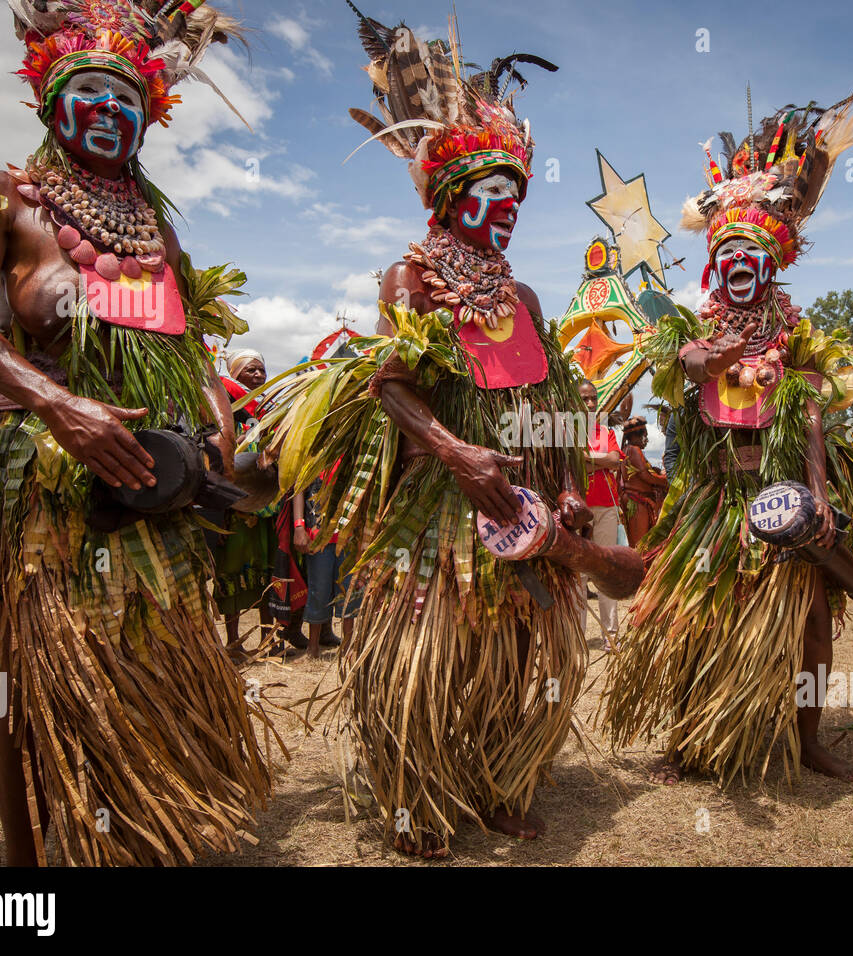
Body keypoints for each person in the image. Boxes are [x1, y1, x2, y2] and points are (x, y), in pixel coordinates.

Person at [257, 11, 640, 857]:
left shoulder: (529, 299)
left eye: (514, 200)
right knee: (431, 648)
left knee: (515, 649)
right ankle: (414, 794)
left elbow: (558, 402)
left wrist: (570, 487)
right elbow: (388, 385)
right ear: (448, 196)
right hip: (437, 505)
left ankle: (500, 781)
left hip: (529, 504)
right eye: (487, 197)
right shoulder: (413, 276)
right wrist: (454, 452)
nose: (503, 212)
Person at [0, 0, 271, 865]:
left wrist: (218, 442)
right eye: (90, 90)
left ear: (149, 113)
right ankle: (33, 868)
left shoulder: (158, 231)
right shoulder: (6, 200)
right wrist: (58, 405)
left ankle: (136, 837)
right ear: (49, 99)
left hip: (154, 475)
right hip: (37, 470)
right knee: (30, 676)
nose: (111, 107)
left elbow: (189, 347)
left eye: (126, 96)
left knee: (151, 657)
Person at [602, 87, 853, 785]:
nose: (737, 263)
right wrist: (721, 355)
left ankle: (809, 737)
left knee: (811, 619)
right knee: (691, 613)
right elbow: (691, 364)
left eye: (750, 254)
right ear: (713, 261)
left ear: (773, 261)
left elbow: (814, 414)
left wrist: (818, 497)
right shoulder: (693, 325)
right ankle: (688, 742)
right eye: (726, 251)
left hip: (786, 491)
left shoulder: (794, 332)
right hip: (714, 494)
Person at [209, 348, 282, 659]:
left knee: (266, 573)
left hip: (264, 505)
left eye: (261, 370)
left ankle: (268, 639)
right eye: (251, 370)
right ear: (235, 372)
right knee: (231, 572)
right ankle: (234, 641)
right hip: (233, 508)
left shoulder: (270, 412)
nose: (258, 376)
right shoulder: (224, 406)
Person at [291, 466, 363, 657]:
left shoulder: (354, 452)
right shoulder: (314, 454)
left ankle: (348, 647)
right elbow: (299, 488)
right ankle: (312, 646)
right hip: (317, 536)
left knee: (349, 589)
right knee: (318, 589)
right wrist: (299, 526)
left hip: (349, 536)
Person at [581, 380, 623, 648]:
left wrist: (587, 458)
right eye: (584, 399)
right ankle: (576, 634)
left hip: (607, 507)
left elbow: (615, 461)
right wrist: (600, 460)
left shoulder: (605, 431)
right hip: (578, 510)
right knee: (578, 574)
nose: (591, 403)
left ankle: (611, 634)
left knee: (607, 570)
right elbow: (577, 466)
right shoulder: (565, 434)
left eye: (593, 398)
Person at [620, 415, 669, 547]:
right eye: (645, 436)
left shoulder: (628, 450)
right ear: (636, 437)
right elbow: (646, 476)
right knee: (640, 543)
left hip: (638, 500)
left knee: (641, 543)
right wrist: (667, 481)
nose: (647, 440)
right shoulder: (633, 450)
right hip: (637, 501)